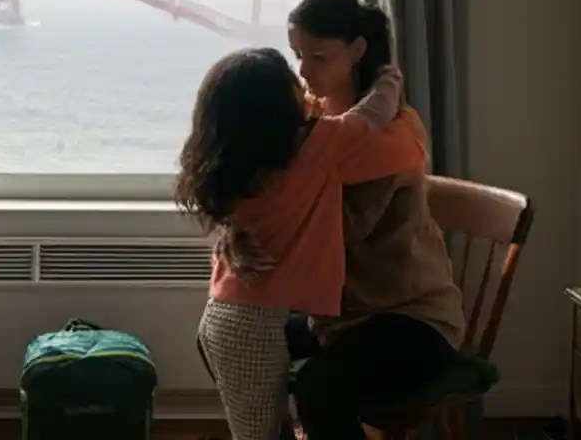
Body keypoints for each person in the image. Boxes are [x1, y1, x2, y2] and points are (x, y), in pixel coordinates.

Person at [224, 0, 465, 440]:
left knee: (319, 387)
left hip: (411, 318)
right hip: (341, 316)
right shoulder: (316, 120)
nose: (303, 71)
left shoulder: (389, 136)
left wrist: (266, 227)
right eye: (297, 56)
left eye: (318, 57)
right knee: (235, 336)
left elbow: (328, 227)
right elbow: (269, 192)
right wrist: (236, 233)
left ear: (357, 51)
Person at [177, 43, 426, 440]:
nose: (305, 84)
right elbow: (372, 115)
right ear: (278, 106)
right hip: (253, 327)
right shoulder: (313, 148)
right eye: (295, 79)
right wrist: (389, 76)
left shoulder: (244, 161)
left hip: (225, 319)